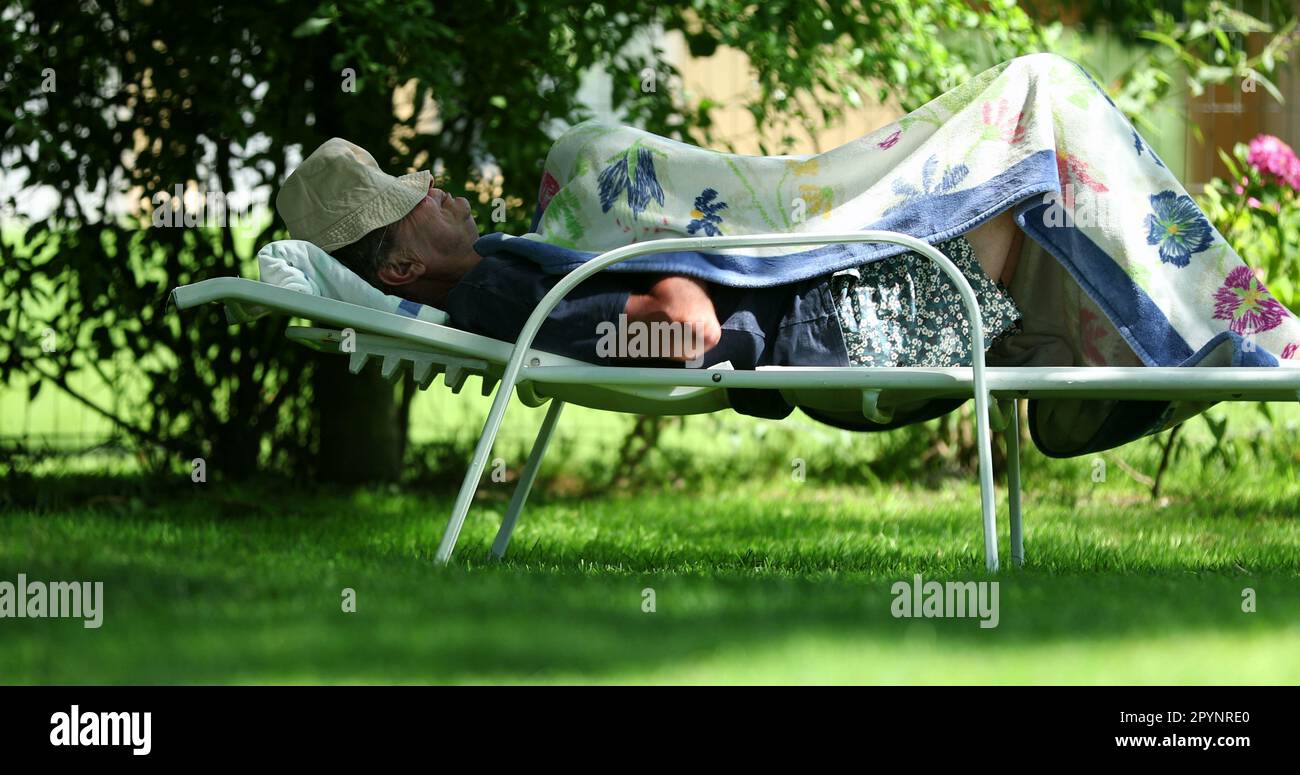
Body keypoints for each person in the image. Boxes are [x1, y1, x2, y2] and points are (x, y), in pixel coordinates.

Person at [275, 137, 1027, 372]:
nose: (443, 190)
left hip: (831, 289)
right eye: (417, 199)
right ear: (401, 270)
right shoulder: (500, 295)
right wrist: (639, 238)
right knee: (1031, 151)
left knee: (1028, 157)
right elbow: (688, 329)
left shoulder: (512, 267)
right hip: (840, 321)